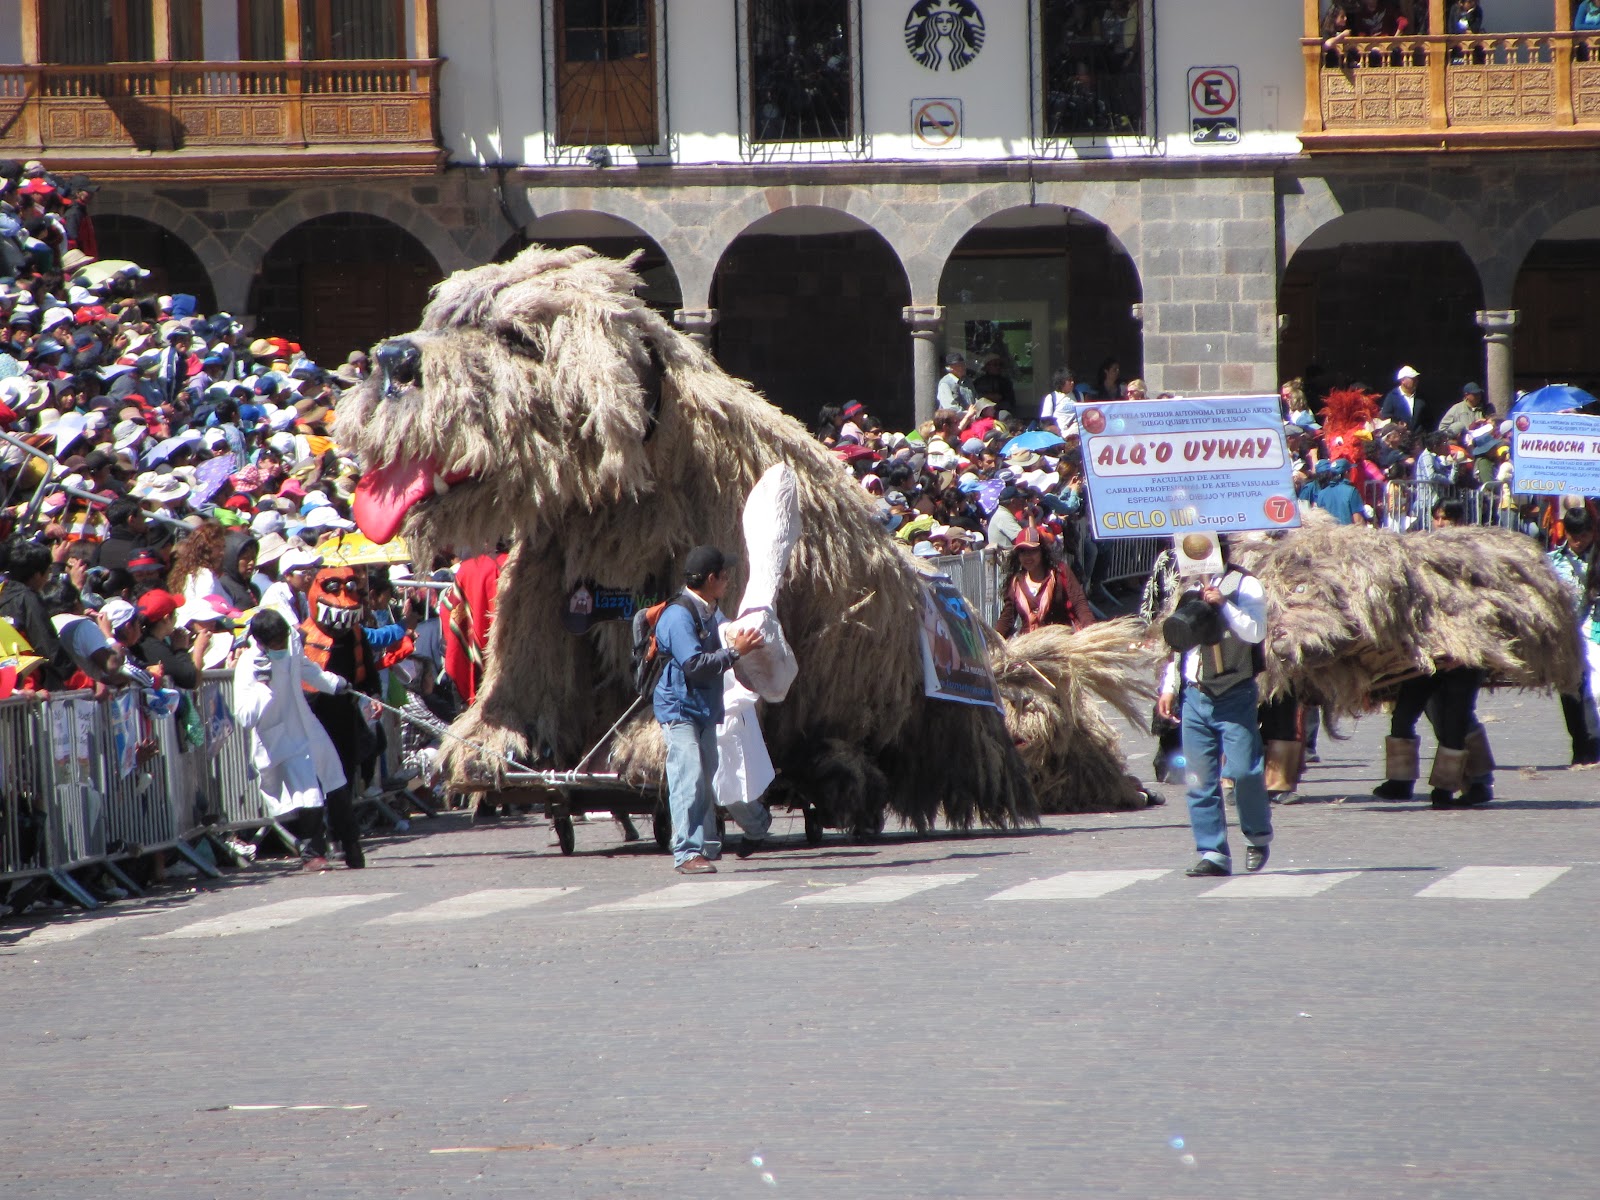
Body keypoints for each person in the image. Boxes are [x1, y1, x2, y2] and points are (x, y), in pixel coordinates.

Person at [1156, 545, 1273, 876]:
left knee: (1245, 770)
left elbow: (1255, 631)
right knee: (1200, 777)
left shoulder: (1245, 584)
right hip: (1195, 694)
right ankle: (1212, 851)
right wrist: (1168, 687)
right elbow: (1179, 648)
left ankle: (1257, 834)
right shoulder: (1189, 591)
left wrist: (1224, 606)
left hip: (1233, 693)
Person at [653, 545, 764, 875]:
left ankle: (700, 846)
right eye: (725, 575)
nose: (728, 580)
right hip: (679, 709)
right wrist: (734, 653)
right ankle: (685, 853)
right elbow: (695, 666)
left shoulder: (710, 610)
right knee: (688, 777)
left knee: (705, 778)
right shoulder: (678, 615)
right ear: (712, 578)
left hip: (703, 708)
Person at [232, 608, 351, 873]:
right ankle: (304, 848)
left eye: (285, 639)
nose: (283, 646)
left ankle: (322, 850)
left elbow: (305, 668)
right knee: (297, 800)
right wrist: (264, 686)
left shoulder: (290, 646)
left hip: (301, 730)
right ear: (262, 642)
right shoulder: (249, 664)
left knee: (321, 787)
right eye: (276, 644)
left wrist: (333, 683)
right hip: (274, 740)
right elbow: (244, 716)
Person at [995, 526, 1096, 637]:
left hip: (1060, 642)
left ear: (1042, 551)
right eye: (1022, 552)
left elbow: (1079, 604)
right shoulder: (1016, 582)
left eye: (1032, 551)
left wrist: (1091, 633)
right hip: (1028, 647)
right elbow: (1007, 618)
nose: (1027, 557)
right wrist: (992, 642)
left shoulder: (1060, 573)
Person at [1379, 365, 1424, 431]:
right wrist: (1397, 425)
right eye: (1412, 379)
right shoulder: (1392, 396)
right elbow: (1385, 416)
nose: (1416, 381)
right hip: (1400, 437)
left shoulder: (1421, 397)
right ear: (1403, 380)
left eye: (1416, 378)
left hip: (1417, 437)